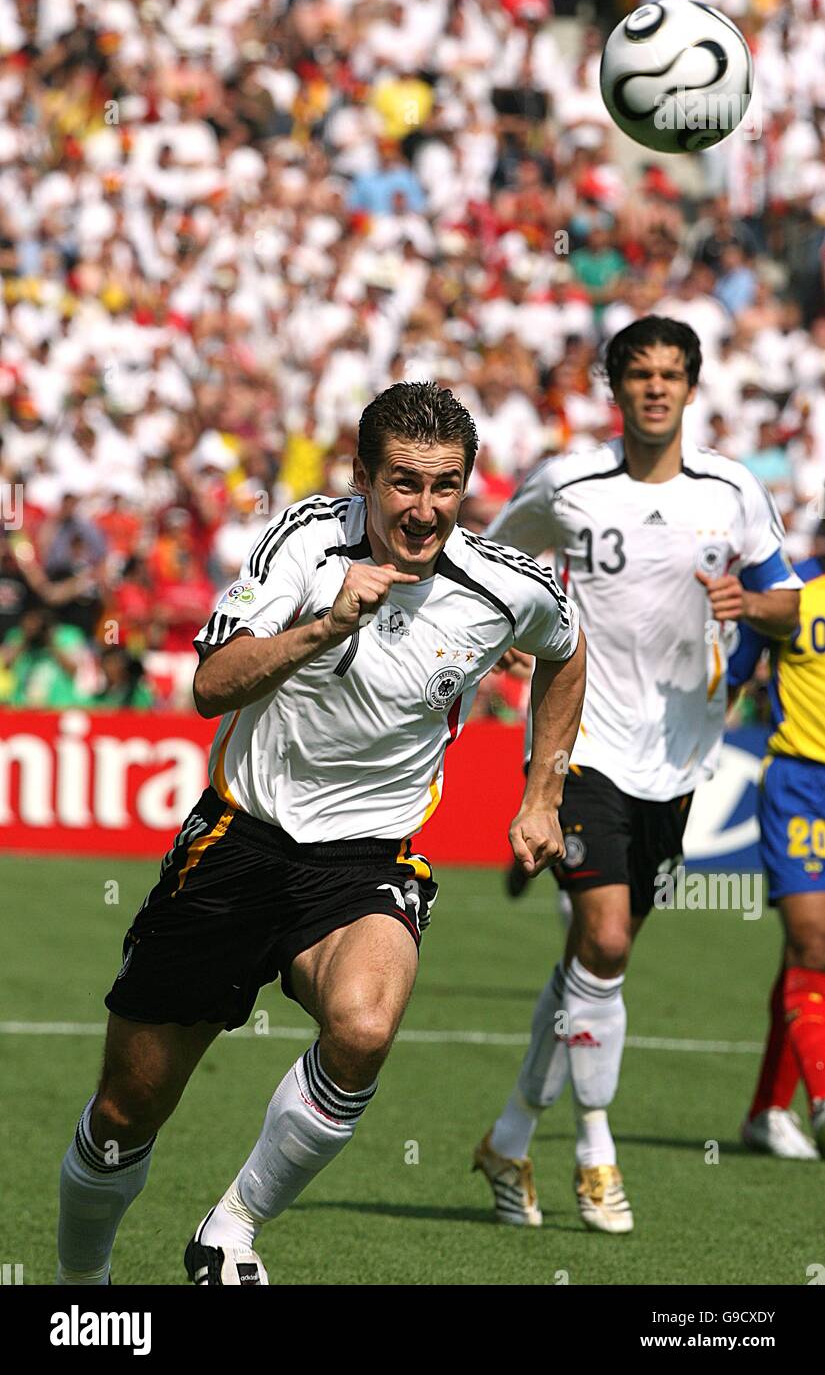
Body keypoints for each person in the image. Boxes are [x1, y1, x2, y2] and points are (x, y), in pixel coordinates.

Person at [54, 381, 585, 1286]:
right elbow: (212, 683)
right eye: (404, 484)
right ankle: (81, 1290)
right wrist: (327, 623)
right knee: (124, 1112)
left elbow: (567, 652)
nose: (424, 511)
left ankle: (230, 1230)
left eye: (445, 486)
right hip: (238, 839)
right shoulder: (302, 542)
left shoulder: (502, 587)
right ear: (363, 479)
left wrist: (541, 792)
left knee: (365, 1026)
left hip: (367, 859)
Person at [472, 316, 801, 1234]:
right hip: (580, 750)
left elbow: (785, 602)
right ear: (614, 389)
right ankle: (595, 1153)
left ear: (691, 389)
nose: (655, 388)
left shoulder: (733, 490)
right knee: (606, 941)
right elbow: (492, 565)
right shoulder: (566, 485)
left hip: (679, 761)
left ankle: (506, 1138)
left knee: (590, 960)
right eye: (639, 374)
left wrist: (754, 604)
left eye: (670, 374)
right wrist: (487, 652)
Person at [730, 522, 825, 1160]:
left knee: (804, 954)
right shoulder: (792, 591)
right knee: (814, 940)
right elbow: (734, 672)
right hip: (799, 784)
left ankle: (767, 1110)